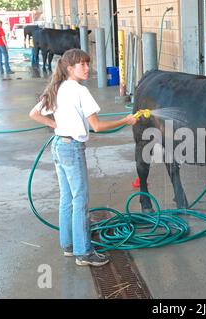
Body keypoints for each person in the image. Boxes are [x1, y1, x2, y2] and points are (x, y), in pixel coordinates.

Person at [29, 49, 138, 267]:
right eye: (82, 65)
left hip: (59, 144)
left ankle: (68, 245)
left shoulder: (56, 87)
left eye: (88, 63)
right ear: (70, 68)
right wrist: (125, 121)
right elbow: (96, 126)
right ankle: (84, 252)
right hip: (72, 148)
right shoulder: (80, 91)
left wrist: (56, 125)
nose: (87, 68)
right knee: (80, 200)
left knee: (67, 198)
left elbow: (34, 113)